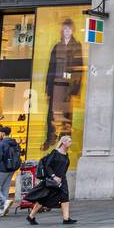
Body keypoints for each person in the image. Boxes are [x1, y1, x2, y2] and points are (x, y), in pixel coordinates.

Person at [43, 18, 84, 151]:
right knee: (52, 113)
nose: (67, 32)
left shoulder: (76, 45)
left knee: (66, 113)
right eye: (65, 29)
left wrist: (75, 89)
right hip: (56, 83)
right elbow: (51, 67)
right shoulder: (57, 46)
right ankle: (51, 137)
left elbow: (79, 68)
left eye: (69, 29)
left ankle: (65, 139)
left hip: (68, 85)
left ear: (72, 31)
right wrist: (48, 88)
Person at [25, 135, 75, 225]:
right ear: (63, 142)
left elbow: (65, 168)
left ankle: (66, 218)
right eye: (69, 141)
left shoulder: (66, 155)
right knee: (44, 198)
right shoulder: (55, 153)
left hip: (62, 179)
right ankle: (31, 216)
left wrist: (61, 178)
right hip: (53, 180)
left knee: (65, 197)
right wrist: (54, 176)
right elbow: (48, 165)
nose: (70, 143)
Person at [0, 125, 22, 218]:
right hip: (12, 168)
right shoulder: (14, 143)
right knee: (5, 188)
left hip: (2, 168)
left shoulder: (1, 144)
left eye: (0, 133)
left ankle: (4, 203)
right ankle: (2, 209)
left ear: (3, 133)